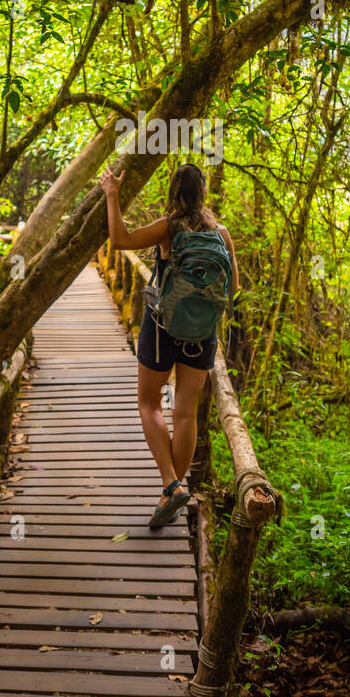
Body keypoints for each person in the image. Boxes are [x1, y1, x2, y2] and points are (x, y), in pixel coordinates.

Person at [99, 162, 239, 529]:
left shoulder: (169, 227)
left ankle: (169, 485)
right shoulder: (221, 234)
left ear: (173, 191)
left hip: (162, 327)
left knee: (148, 403)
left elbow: (120, 241)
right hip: (202, 334)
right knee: (186, 413)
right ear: (204, 193)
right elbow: (232, 288)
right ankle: (173, 490)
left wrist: (112, 194)